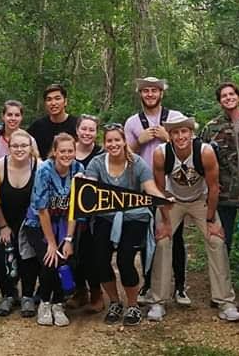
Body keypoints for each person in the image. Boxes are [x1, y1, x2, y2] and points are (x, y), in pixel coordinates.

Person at [148, 117, 239, 323]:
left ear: (191, 133)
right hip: (171, 200)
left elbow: (214, 188)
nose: (180, 136)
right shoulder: (161, 154)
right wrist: (165, 222)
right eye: (175, 133)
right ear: (170, 136)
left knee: (216, 240)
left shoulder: (204, 152)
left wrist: (210, 220)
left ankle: (225, 301)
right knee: (162, 241)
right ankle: (158, 301)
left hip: (201, 199)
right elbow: (159, 190)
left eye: (184, 131)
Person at [85, 123, 170, 326]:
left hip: (134, 216)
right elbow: (90, 187)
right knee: (100, 260)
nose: (113, 144)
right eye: (109, 141)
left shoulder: (137, 163)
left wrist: (164, 203)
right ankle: (115, 302)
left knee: (125, 260)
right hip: (105, 217)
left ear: (124, 142)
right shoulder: (97, 163)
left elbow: (150, 188)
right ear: (104, 143)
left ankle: (132, 305)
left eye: (117, 140)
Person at [123, 76, 188, 305]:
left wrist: (168, 137)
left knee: (175, 236)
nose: (150, 94)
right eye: (145, 91)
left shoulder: (175, 117)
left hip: (172, 185)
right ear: (140, 94)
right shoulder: (132, 122)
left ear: (161, 93)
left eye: (154, 90)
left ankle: (180, 286)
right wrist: (138, 141)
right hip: (143, 187)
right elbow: (122, 155)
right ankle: (148, 284)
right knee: (147, 237)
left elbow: (188, 146)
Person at [22, 133, 82, 327]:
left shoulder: (78, 169)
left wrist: (68, 239)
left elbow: (75, 208)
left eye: (70, 151)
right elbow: (42, 210)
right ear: (55, 152)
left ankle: (58, 303)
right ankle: (45, 303)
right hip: (39, 223)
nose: (66, 155)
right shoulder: (44, 170)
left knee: (65, 261)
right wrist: (51, 243)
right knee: (50, 260)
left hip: (64, 222)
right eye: (62, 151)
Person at [0, 129, 41, 318]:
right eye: (15, 146)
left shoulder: (40, 166)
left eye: (24, 146)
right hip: (3, 218)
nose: (19, 149)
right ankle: (8, 295)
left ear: (30, 147)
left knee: (28, 256)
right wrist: (3, 226)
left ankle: (28, 295)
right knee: (2, 255)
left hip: (29, 220)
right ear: (9, 147)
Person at [200, 82, 239, 251]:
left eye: (232, 94)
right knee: (223, 241)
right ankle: (222, 270)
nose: (228, 98)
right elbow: (200, 160)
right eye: (224, 96)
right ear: (220, 101)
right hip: (224, 194)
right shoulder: (211, 128)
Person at [69, 114, 104, 312]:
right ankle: (79, 291)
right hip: (67, 211)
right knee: (73, 253)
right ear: (77, 130)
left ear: (96, 133)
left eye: (91, 130)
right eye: (84, 129)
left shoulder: (101, 154)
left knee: (91, 254)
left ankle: (97, 293)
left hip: (93, 213)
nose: (87, 133)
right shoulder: (68, 150)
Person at [27, 83, 79, 160]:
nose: (53, 103)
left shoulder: (77, 125)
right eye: (49, 99)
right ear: (45, 104)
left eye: (57, 98)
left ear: (65, 101)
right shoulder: (38, 126)